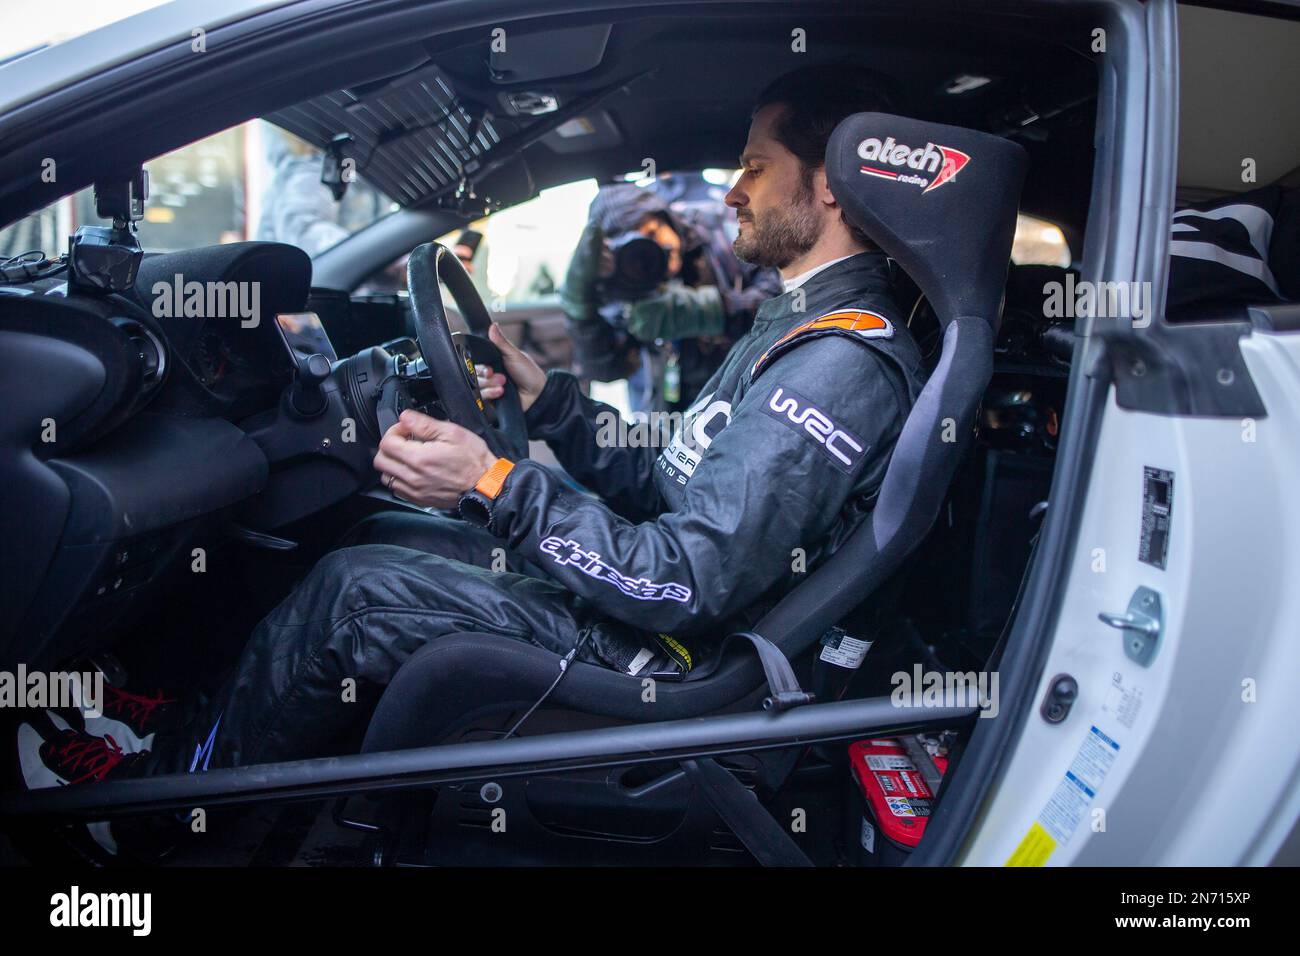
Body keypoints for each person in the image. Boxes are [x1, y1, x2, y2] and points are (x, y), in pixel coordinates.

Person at [21, 64, 926, 812]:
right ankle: (195, 719)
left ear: (833, 185)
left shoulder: (836, 363)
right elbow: (673, 477)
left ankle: (165, 807)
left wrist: (494, 482)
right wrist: (553, 401)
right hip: (683, 620)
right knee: (387, 528)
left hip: (681, 658)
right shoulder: (800, 322)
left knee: (356, 590)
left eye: (755, 166)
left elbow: (683, 578)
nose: (733, 191)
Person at [563, 177, 781, 413]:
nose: (660, 248)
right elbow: (606, 369)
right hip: (668, 414)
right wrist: (581, 311)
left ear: (664, 215)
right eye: (640, 251)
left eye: (654, 232)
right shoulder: (623, 288)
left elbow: (781, 299)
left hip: (744, 393)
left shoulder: (722, 233)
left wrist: (712, 311)